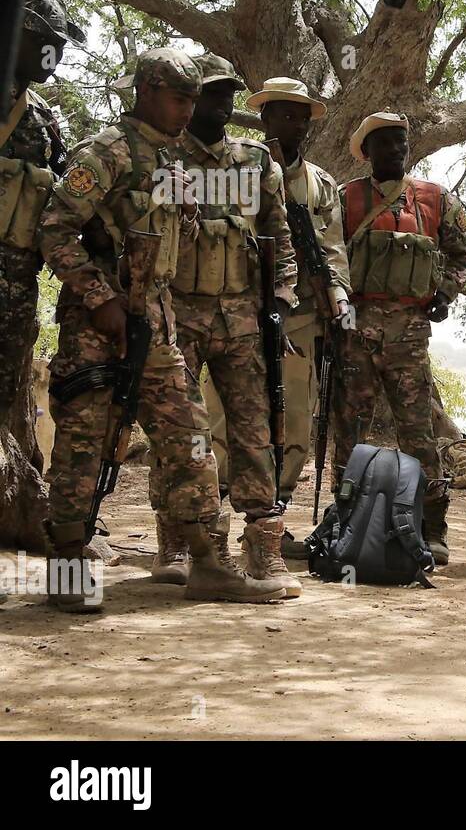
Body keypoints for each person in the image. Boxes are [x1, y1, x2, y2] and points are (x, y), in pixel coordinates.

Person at [41, 48, 288, 611]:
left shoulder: (174, 161)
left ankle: (205, 559)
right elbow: (54, 230)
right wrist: (100, 297)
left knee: (190, 440)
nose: (187, 110)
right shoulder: (105, 153)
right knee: (85, 442)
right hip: (95, 328)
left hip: (157, 324)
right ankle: (67, 567)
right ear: (147, 91)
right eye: (179, 98)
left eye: (192, 100)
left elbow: (182, 230)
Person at [150, 53, 300, 597]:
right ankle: (179, 538)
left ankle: (263, 542)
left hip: (242, 314)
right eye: (210, 94)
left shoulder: (257, 162)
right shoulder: (162, 157)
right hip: (178, 314)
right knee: (181, 433)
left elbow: (280, 241)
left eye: (226, 94)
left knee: (255, 430)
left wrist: (280, 299)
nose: (220, 104)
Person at [332, 112, 466, 565]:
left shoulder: (435, 199)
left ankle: (433, 526)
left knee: (419, 434)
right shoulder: (345, 198)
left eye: (402, 142)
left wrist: (446, 293)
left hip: (410, 335)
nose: (397, 150)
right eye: (387, 143)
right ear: (367, 150)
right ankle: (343, 521)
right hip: (354, 332)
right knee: (348, 432)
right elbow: (326, 256)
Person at [246, 77, 352, 553]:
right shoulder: (240, 166)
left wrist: (340, 301)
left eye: (301, 116)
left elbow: (333, 250)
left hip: (302, 319)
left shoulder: (321, 183)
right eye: (284, 114)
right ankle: (203, 522)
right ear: (264, 115)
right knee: (223, 422)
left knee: (293, 427)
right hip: (240, 313)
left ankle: (273, 518)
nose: (294, 124)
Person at [0, 0, 77, 417]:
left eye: (61, 46)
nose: (54, 54)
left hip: (16, 283)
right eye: (44, 40)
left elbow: (65, 192)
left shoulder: (43, 117)